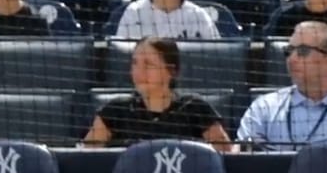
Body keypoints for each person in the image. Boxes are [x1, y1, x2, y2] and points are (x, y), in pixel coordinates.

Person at [237, 20, 327, 151]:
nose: (292, 59)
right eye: (289, 51)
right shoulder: (263, 108)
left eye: (303, 51)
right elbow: (243, 159)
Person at [84, 37, 233, 150]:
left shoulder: (195, 108)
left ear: (171, 71)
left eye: (148, 64)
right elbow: (87, 157)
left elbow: (226, 155)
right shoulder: (115, 111)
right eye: (135, 63)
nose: (138, 72)